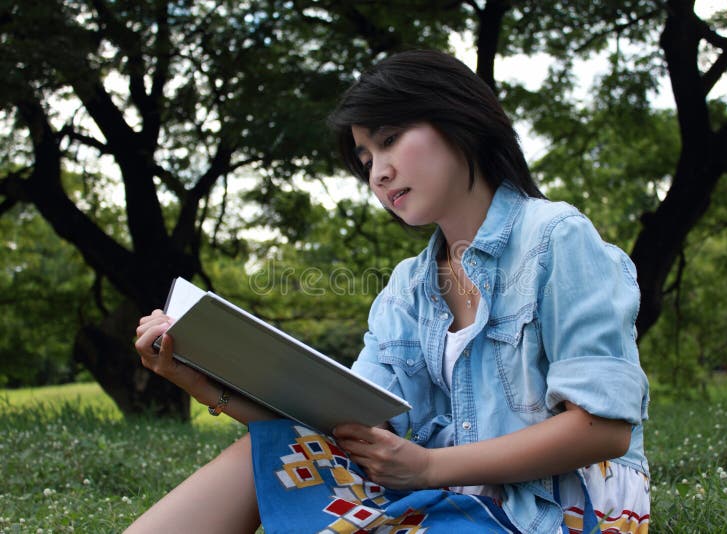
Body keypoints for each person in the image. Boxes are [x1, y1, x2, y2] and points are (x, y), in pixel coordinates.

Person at [131, 49, 650, 534]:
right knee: (268, 451)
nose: (378, 172)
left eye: (390, 139)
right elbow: (341, 430)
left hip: (555, 509)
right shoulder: (408, 287)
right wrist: (196, 378)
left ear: (458, 120)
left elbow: (603, 430)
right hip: (443, 495)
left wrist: (428, 466)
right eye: (365, 159)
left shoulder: (556, 237)